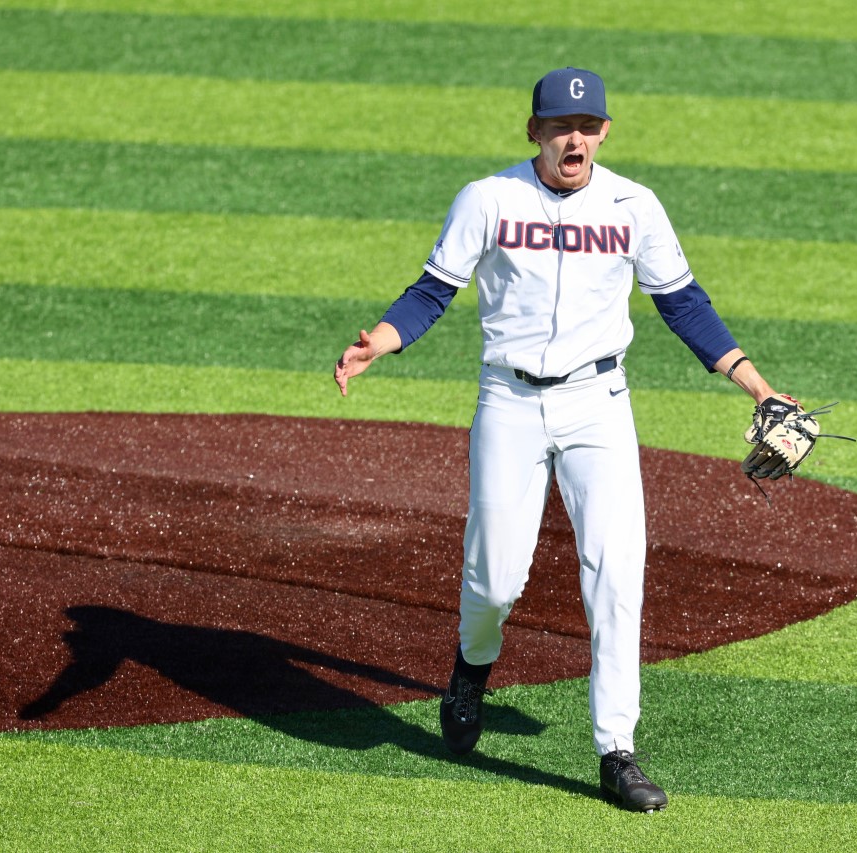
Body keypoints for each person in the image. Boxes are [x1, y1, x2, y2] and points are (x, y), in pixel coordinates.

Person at [334, 67, 782, 813]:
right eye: (558, 125)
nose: (574, 138)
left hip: (599, 405)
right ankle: (472, 666)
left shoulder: (635, 206)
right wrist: (378, 344)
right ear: (534, 131)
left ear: (604, 130)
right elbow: (432, 290)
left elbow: (685, 305)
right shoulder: (490, 199)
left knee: (616, 573)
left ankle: (617, 749)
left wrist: (758, 386)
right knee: (495, 580)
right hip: (509, 401)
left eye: (587, 125)